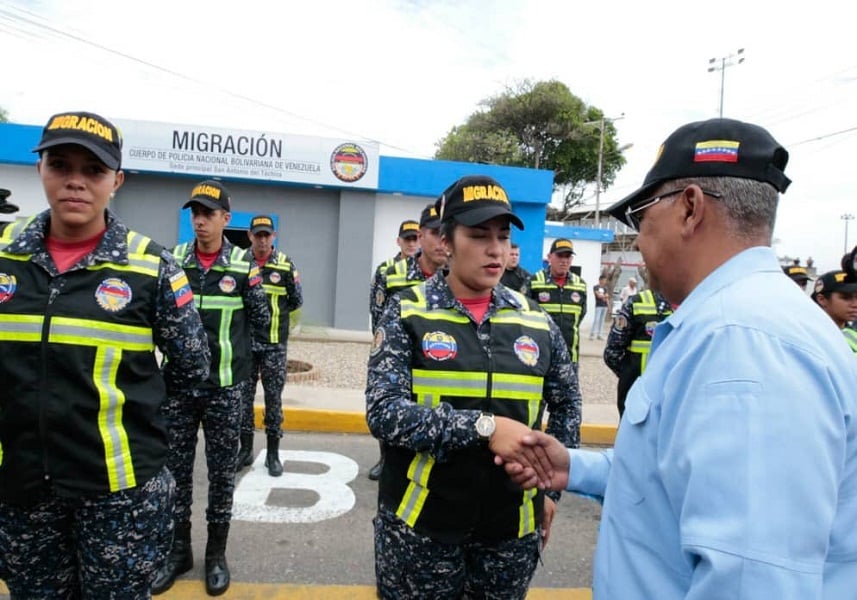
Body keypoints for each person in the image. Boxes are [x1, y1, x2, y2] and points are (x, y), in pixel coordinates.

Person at [497, 117, 857, 599]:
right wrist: (573, 468)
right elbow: (670, 473)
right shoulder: (728, 324)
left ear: (690, 208)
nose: (640, 242)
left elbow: (753, 583)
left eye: (641, 219)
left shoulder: (743, 343)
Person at [0, 111, 210, 598]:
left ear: (116, 181)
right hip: (22, 488)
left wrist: (141, 438)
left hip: (119, 494)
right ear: (41, 171)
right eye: (61, 165)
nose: (76, 182)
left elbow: (191, 369)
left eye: (93, 171)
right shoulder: (5, 255)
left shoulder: (151, 266)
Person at [366, 174, 581, 599]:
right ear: (446, 241)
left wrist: (551, 489)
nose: (495, 249)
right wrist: (483, 427)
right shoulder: (407, 311)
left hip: (510, 534)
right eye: (479, 235)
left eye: (502, 236)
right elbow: (384, 411)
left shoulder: (536, 320)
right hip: (419, 530)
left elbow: (568, 403)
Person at [152, 180, 270, 596]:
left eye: (207, 214)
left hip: (225, 390)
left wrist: (242, 376)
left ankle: (216, 555)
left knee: (221, 476)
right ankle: (177, 550)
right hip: (179, 390)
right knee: (175, 475)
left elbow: (261, 324)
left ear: (225, 218)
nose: (199, 221)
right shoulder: (174, 260)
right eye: (194, 214)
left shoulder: (243, 265)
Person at [367, 204, 447, 481]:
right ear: (421, 236)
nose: (442, 240)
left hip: (441, 362)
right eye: (434, 233)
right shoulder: (390, 274)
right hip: (400, 360)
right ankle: (387, 460)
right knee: (393, 410)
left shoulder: (456, 277)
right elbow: (377, 318)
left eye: (446, 233)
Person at [236, 215, 304, 476]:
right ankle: (245, 450)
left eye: (267, 235)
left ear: (273, 236)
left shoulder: (285, 266)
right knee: (244, 399)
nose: (263, 240)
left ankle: (273, 454)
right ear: (250, 236)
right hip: (246, 344)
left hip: (274, 345)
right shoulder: (241, 263)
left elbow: (296, 299)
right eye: (258, 235)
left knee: (273, 400)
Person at [603, 288, 673, 416]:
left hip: (675, 396)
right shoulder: (636, 303)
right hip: (638, 395)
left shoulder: (697, 304)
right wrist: (629, 374)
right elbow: (612, 353)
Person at [526, 238, 588, 370]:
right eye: (560, 256)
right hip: (540, 356)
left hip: (570, 357)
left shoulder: (580, 285)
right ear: (549, 257)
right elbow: (525, 315)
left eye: (568, 256)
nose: (564, 260)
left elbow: (580, 315)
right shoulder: (534, 281)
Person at [369, 219, 420, 332]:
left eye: (415, 239)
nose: (411, 244)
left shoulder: (429, 270)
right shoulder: (384, 269)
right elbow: (376, 308)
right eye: (407, 239)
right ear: (398, 241)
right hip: (393, 332)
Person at [811, 269, 857, 353]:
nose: (855, 304)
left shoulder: (852, 333)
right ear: (822, 299)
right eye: (846, 298)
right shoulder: (811, 338)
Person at [588, 275, 609, 340]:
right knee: (596, 319)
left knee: (602, 320)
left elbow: (607, 296)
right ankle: (592, 334)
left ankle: (600, 334)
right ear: (600, 280)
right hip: (599, 305)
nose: (605, 281)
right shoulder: (596, 287)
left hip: (604, 305)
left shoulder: (605, 288)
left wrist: (608, 304)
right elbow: (598, 295)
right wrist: (604, 296)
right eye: (604, 280)